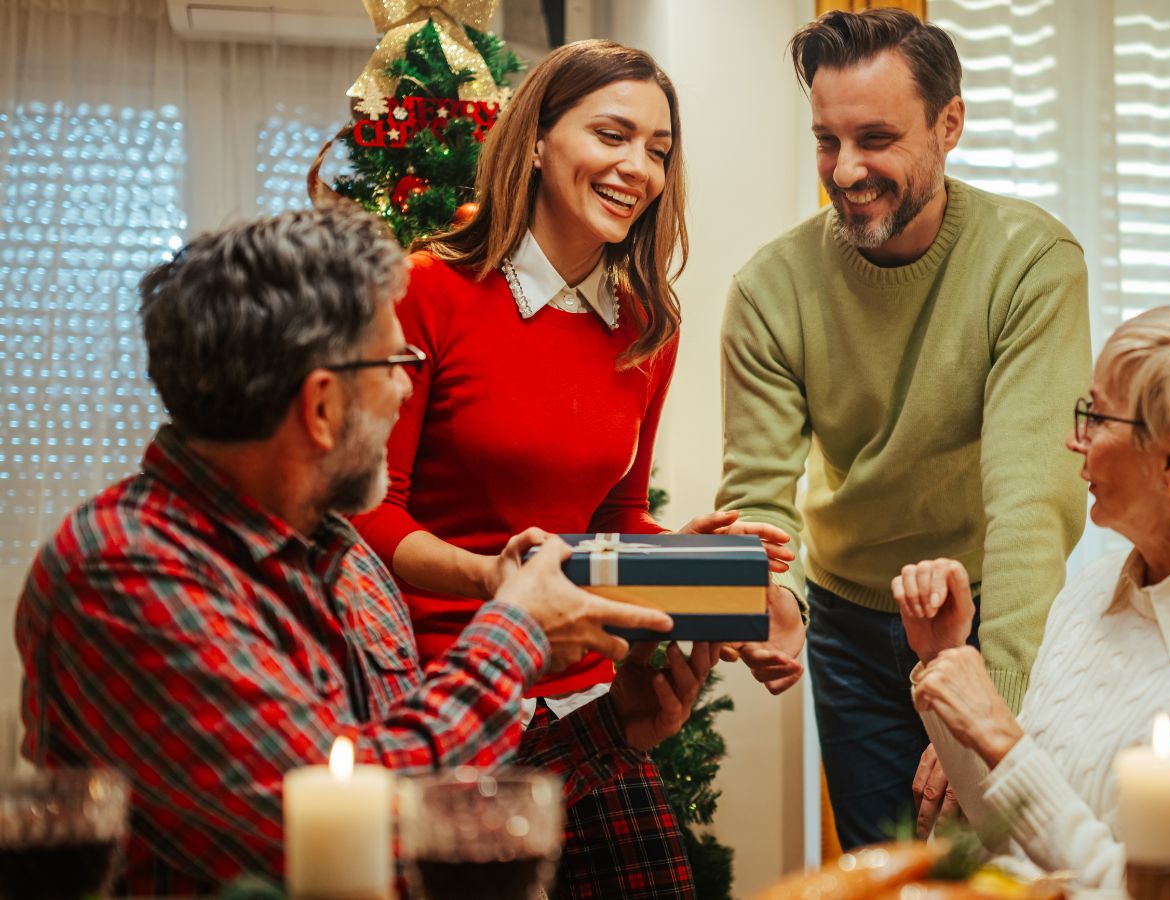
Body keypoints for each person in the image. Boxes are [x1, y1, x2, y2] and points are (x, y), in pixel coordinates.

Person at [14, 206, 717, 896]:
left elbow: (414, 781)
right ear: (321, 408)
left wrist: (612, 729)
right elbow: (344, 831)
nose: (407, 386)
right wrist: (518, 632)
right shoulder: (122, 574)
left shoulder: (347, 559)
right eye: (394, 361)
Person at [347, 39, 796, 898]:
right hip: (454, 693)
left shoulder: (644, 326)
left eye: (659, 151)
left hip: (591, 702)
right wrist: (497, 581)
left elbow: (618, 521)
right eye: (613, 135)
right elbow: (372, 513)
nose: (639, 168)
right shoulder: (427, 289)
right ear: (539, 138)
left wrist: (701, 572)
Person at [715, 8, 1091, 847]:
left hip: (995, 611)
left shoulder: (1031, 263)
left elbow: (1035, 501)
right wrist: (769, 599)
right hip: (848, 626)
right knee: (888, 868)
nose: (844, 171)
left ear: (949, 124)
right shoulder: (770, 289)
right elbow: (758, 497)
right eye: (825, 140)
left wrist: (986, 694)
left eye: (876, 138)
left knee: (1002, 862)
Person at [894, 295, 1170, 887]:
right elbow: (1009, 829)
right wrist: (945, 657)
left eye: (1099, 417)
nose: (1074, 439)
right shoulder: (1097, 586)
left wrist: (1001, 735)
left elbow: (1158, 893)